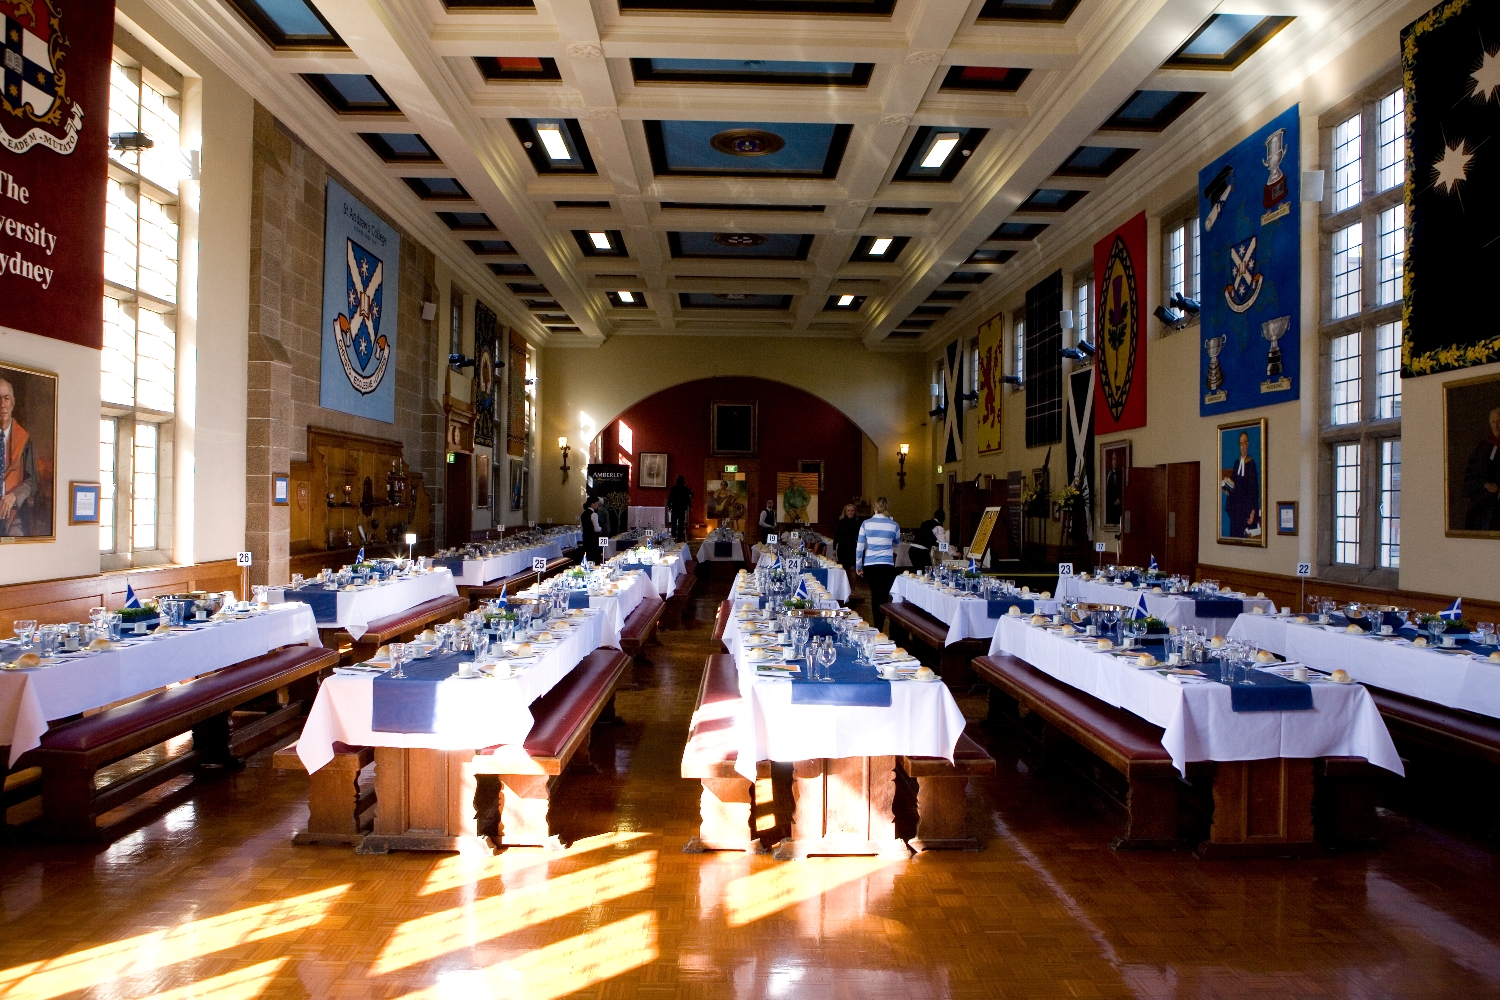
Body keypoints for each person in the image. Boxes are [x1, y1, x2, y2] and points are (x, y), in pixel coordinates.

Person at [0, 377, 39, 538]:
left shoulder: (23, 439)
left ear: (13, 402)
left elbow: (32, 481)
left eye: (6, 398)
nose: (2, 404)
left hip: (14, 513)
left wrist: (14, 496)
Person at [856, 497, 901, 630]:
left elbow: (860, 547)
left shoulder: (866, 523)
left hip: (870, 564)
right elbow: (897, 544)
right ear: (887, 507)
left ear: (874, 507)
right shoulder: (894, 525)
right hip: (887, 564)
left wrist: (858, 565)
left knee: (875, 595)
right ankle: (883, 625)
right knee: (884, 595)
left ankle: (877, 627)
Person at [1463, 406, 1500, 531]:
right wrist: (1485, 484)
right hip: (1486, 504)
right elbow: (1471, 477)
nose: (1496, 426)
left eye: (1499, 421)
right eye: (1493, 422)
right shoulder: (1483, 448)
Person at [1222, 430, 1261, 538]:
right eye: (1241, 443)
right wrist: (1227, 489)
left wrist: (1252, 512)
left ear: (1247, 444)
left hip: (1246, 509)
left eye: (1245, 443)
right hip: (1235, 509)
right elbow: (1233, 484)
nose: (1243, 446)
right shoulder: (1236, 463)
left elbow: (1254, 490)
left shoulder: (1251, 464)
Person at [833, 503, 861, 569]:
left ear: (855, 512)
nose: (850, 512)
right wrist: (834, 549)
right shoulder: (841, 522)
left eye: (852, 510)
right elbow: (836, 536)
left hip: (852, 548)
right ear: (845, 512)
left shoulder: (857, 523)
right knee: (842, 567)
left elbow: (859, 537)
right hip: (842, 548)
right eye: (848, 511)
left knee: (852, 567)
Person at [666, 475, 692, 541]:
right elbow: (688, 499)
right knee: (681, 524)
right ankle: (679, 538)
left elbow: (670, 498)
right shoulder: (685, 489)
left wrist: (669, 506)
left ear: (677, 481)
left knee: (673, 524)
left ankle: (673, 537)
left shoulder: (673, 488)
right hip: (682, 508)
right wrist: (690, 506)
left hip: (675, 508)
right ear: (683, 481)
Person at [581, 496, 605, 564]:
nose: (597, 505)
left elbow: (582, 527)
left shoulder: (583, 514)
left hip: (586, 539)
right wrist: (601, 529)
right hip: (593, 540)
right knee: (595, 557)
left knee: (588, 557)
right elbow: (596, 529)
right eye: (596, 503)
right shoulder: (594, 514)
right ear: (592, 504)